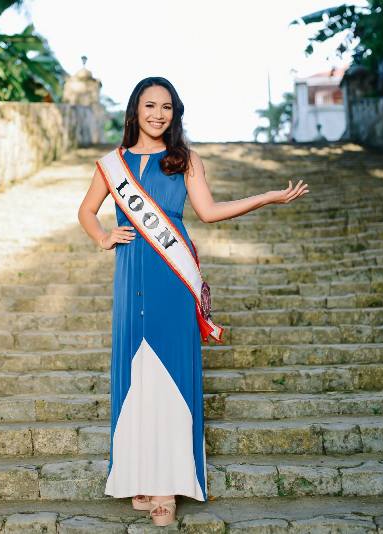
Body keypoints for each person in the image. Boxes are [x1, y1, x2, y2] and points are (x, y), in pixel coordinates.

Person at [77, 76, 309, 526]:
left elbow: (209, 211)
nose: (158, 114)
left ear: (174, 113)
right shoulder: (113, 164)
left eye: (166, 107)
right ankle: (137, 477)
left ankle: (167, 486)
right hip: (130, 279)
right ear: (135, 111)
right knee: (136, 376)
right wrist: (103, 237)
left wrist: (268, 198)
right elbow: (86, 210)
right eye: (150, 106)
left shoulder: (184, 160)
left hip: (172, 277)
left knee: (170, 377)